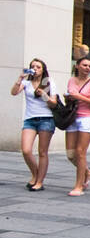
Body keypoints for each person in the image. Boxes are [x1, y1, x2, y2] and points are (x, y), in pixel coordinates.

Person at [12, 58, 55, 191]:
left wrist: (44, 95)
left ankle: (39, 182)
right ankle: (36, 174)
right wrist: (20, 78)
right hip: (30, 119)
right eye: (33, 66)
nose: (35, 69)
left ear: (43, 70)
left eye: (38, 67)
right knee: (26, 150)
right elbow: (13, 92)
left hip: (46, 119)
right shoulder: (26, 82)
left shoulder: (48, 82)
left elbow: (53, 103)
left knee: (42, 152)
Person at [64, 56, 90, 196]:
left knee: (80, 152)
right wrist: (68, 97)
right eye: (84, 65)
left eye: (89, 66)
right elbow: (70, 96)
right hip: (73, 117)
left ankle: (78, 186)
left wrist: (79, 97)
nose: (87, 68)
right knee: (70, 154)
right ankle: (87, 172)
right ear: (77, 66)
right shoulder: (71, 80)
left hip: (87, 118)